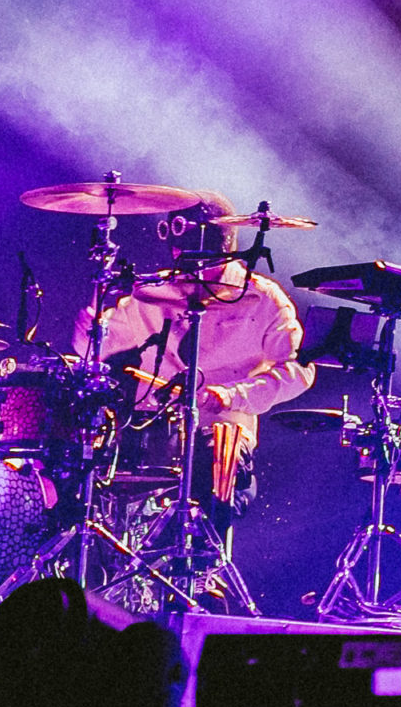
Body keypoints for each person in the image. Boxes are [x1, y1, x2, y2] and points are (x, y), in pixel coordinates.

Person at [74, 200, 313, 528]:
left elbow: (299, 370)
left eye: (204, 264)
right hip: (149, 424)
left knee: (212, 468)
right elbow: (94, 351)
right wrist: (91, 329)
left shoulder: (263, 298)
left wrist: (231, 395)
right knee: (81, 458)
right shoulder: (151, 293)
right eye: (184, 261)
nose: (193, 274)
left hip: (221, 428)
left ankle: (201, 553)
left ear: (226, 250)